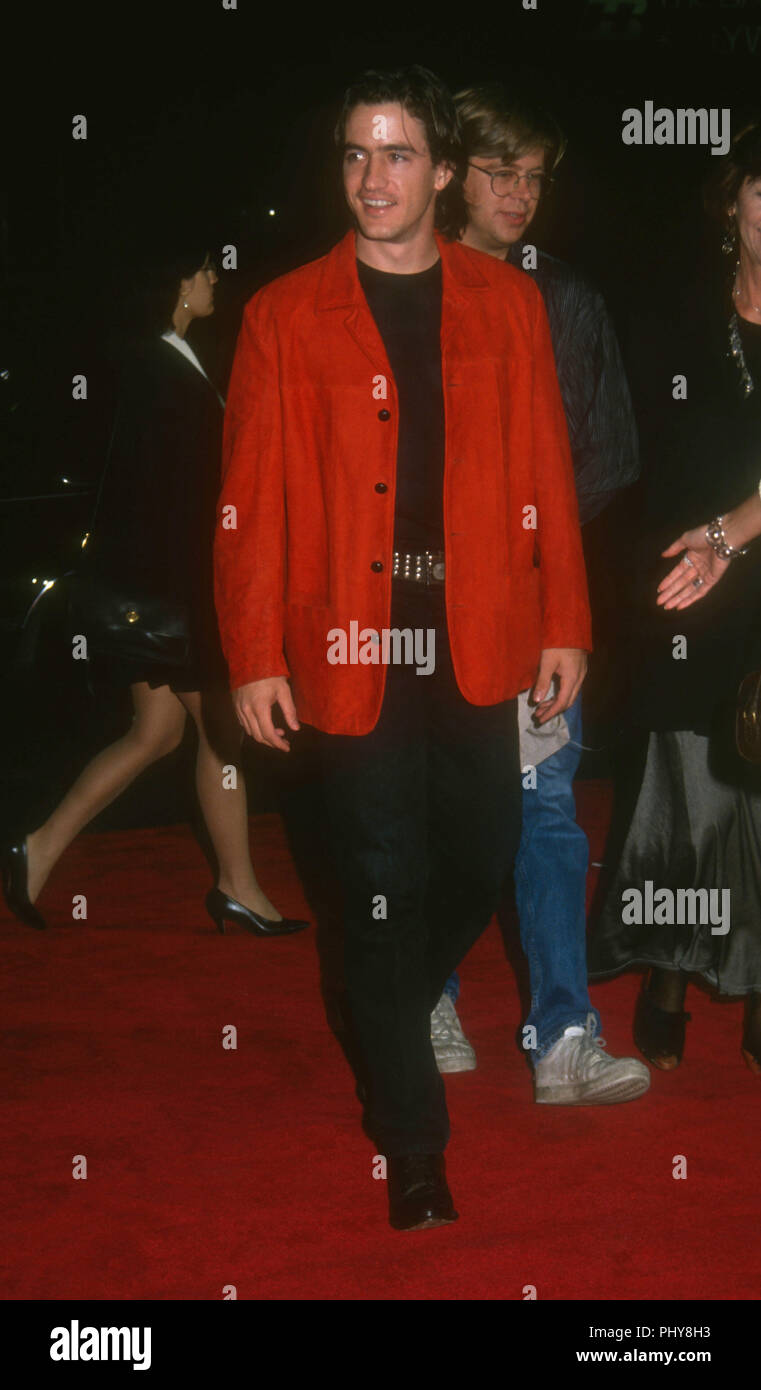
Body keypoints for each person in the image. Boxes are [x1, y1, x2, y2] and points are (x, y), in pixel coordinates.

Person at [214, 66, 591, 1231]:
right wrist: (253, 652)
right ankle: (413, 1139)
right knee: (378, 880)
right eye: (352, 155)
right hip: (348, 646)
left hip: (477, 639)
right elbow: (249, 500)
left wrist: (565, 619)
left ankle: (373, 995)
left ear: (440, 172)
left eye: (394, 156)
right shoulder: (285, 312)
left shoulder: (506, 303)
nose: (371, 179)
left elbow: (545, 473)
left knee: (478, 853)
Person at [428, 83, 648, 1106]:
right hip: (411, 616)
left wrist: (523, 555)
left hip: (524, 608)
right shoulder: (400, 288)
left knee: (547, 813)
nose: (520, 193)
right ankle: (426, 989)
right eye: (498, 171)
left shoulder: (565, 300)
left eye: (533, 177)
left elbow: (605, 456)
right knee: (429, 810)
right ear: (448, 172)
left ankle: (561, 1033)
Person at [1, 241, 307, 940]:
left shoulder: (163, 356)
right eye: (204, 270)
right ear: (176, 280)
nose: (213, 281)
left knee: (157, 731)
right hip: (176, 591)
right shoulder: (159, 363)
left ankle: (38, 846)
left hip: (152, 588)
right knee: (223, 733)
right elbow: (176, 495)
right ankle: (237, 887)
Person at [588, 122, 761, 1075]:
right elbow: (639, 455)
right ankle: (669, 967)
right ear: (733, 204)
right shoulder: (677, 311)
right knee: (686, 791)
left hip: (738, 552)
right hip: (693, 574)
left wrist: (731, 536)